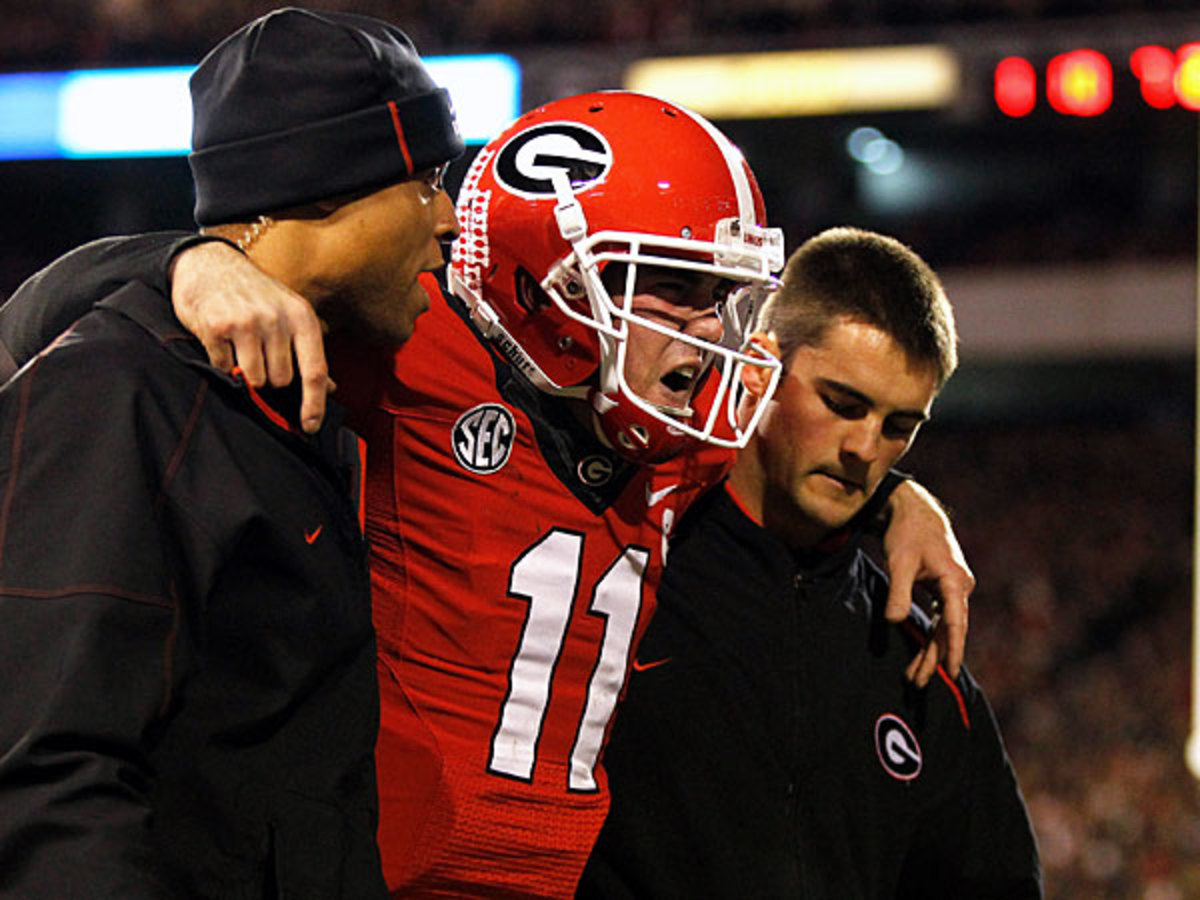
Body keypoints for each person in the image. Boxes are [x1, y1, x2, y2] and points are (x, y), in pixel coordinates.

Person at [0, 93, 974, 896]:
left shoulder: (688, 438)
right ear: (546, 277)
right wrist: (179, 259)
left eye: (717, 294)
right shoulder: (411, 356)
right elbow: (48, 323)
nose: (709, 330)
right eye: (671, 285)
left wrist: (902, 503)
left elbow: (815, 461)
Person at [0, 8, 462, 898]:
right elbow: (45, 770)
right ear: (326, 186)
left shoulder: (304, 391)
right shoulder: (121, 389)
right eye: (425, 180)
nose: (445, 217)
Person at [577, 227, 1043, 899]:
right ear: (759, 370)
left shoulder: (916, 660)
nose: (863, 447)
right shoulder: (619, 565)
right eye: (842, 404)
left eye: (897, 427)